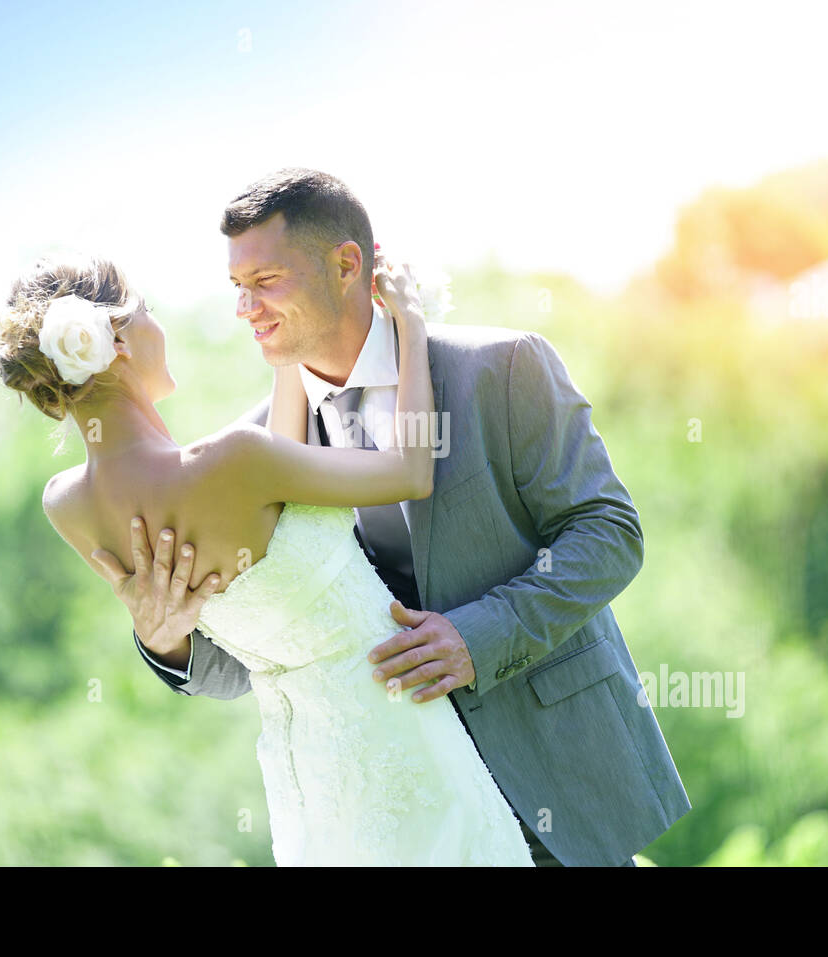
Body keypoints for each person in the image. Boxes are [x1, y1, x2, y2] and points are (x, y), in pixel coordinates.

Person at [102, 168, 691, 866]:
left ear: (347, 264)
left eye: (265, 281)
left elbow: (608, 534)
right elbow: (252, 660)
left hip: (552, 782)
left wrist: (478, 636)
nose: (245, 308)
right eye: (237, 287)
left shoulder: (500, 368)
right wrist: (165, 639)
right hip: (403, 821)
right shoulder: (255, 452)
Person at [0, 247, 534, 865]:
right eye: (149, 312)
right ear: (116, 339)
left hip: (309, 776)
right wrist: (409, 322)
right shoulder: (237, 462)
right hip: (405, 736)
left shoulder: (67, 504)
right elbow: (410, 470)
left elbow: (267, 485)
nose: (159, 327)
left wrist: (286, 354)